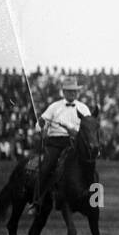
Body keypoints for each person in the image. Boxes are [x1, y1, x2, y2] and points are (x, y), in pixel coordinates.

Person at [30, 75, 91, 211]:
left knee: (89, 166)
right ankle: (37, 201)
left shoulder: (84, 109)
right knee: (46, 167)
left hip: (75, 143)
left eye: (74, 91)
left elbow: (89, 129)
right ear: (63, 92)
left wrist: (75, 131)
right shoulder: (54, 107)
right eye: (69, 91)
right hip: (56, 143)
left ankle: (90, 200)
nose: (73, 93)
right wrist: (41, 127)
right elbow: (40, 124)